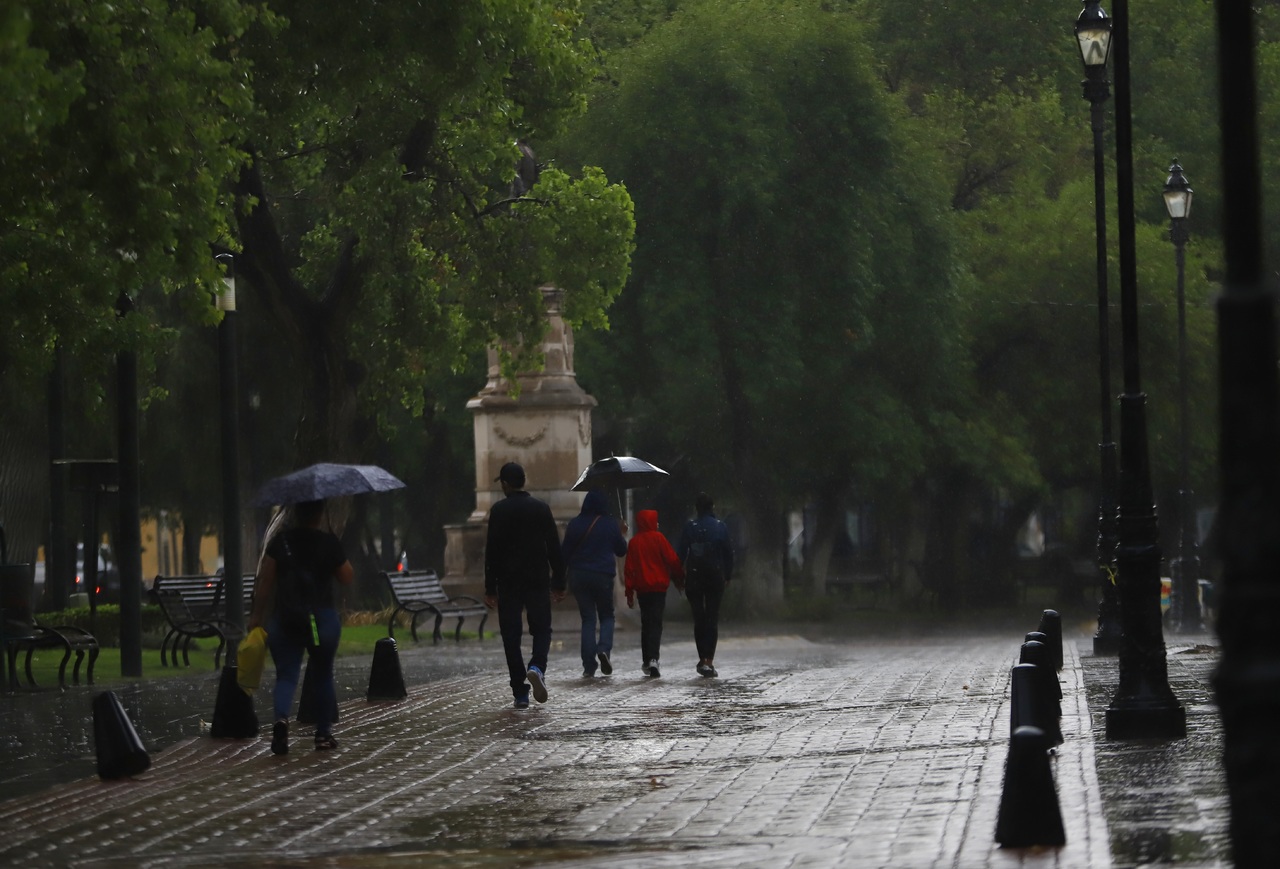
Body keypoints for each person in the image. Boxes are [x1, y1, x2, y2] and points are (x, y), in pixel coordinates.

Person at [249, 498, 354, 754]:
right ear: (319, 513)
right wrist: (333, 551)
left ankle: (281, 721)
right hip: (321, 621)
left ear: (296, 513)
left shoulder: (281, 543)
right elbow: (347, 578)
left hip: (286, 620)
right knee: (323, 674)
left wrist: (257, 617)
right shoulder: (328, 542)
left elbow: (265, 583)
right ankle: (323, 734)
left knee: (286, 676)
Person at [483, 462, 566, 707]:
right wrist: (559, 581)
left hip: (508, 582)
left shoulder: (498, 510)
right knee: (541, 629)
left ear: (506, 484)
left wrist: (490, 588)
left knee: (511, 635)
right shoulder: (541, 508)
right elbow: (554, 547)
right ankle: (537, 666)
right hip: (537, 579)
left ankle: (519, 690)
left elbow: (492, 552)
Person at [561, 489, 628, 678]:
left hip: (579, 576)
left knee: (588, 619)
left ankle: (589, 665)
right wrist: (621, 532)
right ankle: (604, 650)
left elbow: (564, 554)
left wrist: (559, 581)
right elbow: (622, 550)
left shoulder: (574, 524)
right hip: (603, 576)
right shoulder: (610, 524)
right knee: (607, 616)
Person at [678, 492, 734, 677]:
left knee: (698, 618)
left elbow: (680, 554)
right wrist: (728, 575)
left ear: (697, 508)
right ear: (712, 508)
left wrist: (678, 577)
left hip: (694, 578)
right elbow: (728, 553)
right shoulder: (720, 527)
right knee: (712, 617)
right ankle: (709, 661)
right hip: (715, 577)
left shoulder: (690, 527)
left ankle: (702, 658)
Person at [624, 509, 684, 678]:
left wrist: (629, 592)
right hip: (658, 589)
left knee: (646, 622)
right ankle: (653, 658)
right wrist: (679, 579)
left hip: (643, 589)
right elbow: (673, 560)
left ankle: (646, 659)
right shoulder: (659, 539)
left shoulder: (634, 543)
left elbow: (629, 569)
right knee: (656, 623)